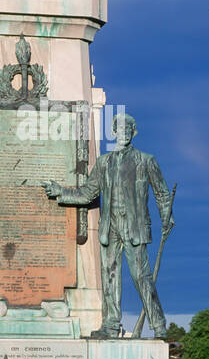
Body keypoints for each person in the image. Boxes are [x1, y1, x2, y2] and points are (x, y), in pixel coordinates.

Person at [44, 114, 173, 339]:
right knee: (110, 277)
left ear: (134, 132)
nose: (122, 132)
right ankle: (111, 325)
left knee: (141, 276)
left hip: (134, 229)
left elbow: (162, 193)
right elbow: (87, 193)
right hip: (109, 229)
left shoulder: (146, 160)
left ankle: (159, 324)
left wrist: (167, 217)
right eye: (118, 128)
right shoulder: (104, 163)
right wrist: (60, 192)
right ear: (113, 132)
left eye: (127, 128)